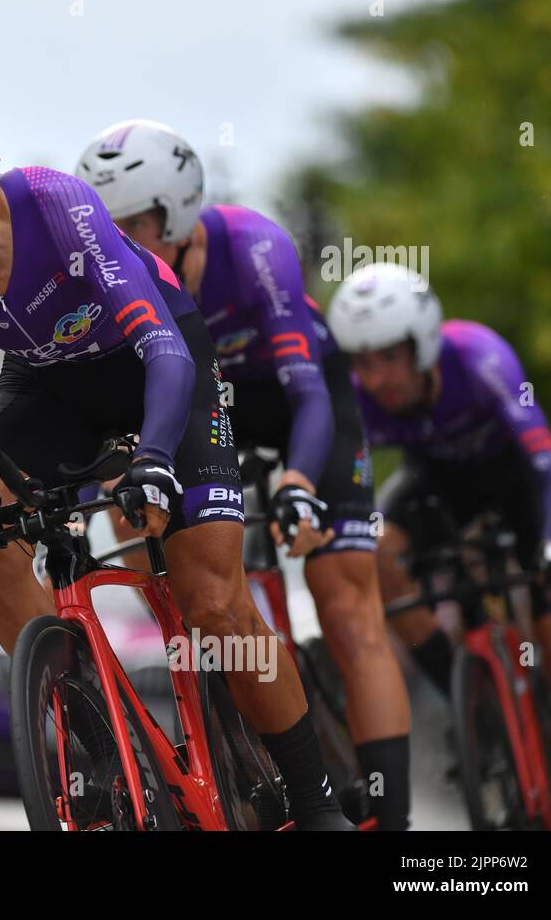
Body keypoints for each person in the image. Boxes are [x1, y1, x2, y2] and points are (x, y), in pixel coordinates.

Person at [0, 84, 352, 828]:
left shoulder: (52, 203)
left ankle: (316, 801)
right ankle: (98, 744)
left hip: (157, 359)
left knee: (215, 602)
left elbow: (163, 350)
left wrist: (150, 457)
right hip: (48, 382)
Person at [73, 119, 411, 829]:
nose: (121, 241)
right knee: (144, 530)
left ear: (182, 213)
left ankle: (393, 818)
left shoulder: (253, 248)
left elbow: (307, 393)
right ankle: (217, 699)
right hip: (198, 405)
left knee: (346, 604)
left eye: (136, 223)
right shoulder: (105, 275)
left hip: (291, 404)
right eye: (109, 225)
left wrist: (297, 483)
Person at [328, 263, 551, 758]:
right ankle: (472, 703)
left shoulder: (479, 358)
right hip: (436, 484)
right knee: (375, 551)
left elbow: (550, 466)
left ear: (422, 345)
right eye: (361, 362)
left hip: (516, 483)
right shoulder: (358, 398)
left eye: (388, 357)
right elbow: (343, 480)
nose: (374, 378)